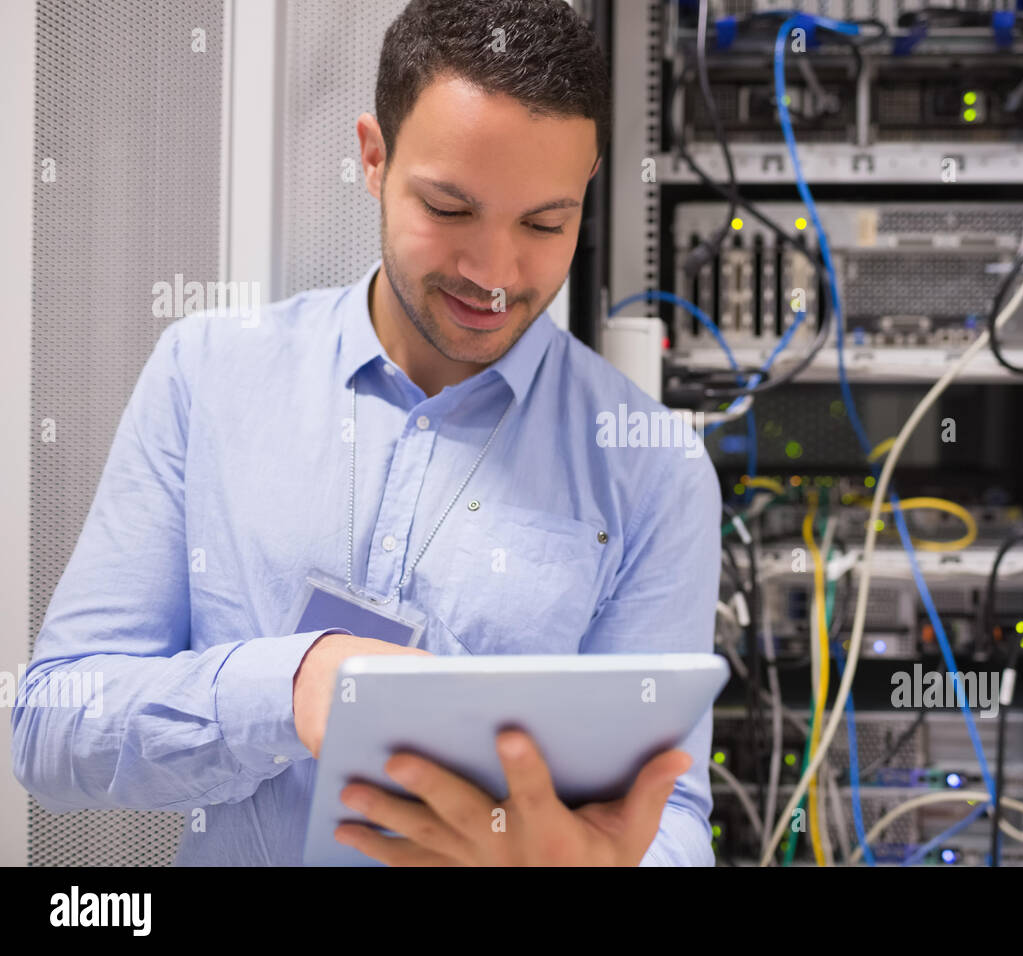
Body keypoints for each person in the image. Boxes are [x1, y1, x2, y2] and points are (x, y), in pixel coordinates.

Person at [11, 0, 721, 866]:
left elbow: (672, 814)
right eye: (450, 208)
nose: (494, 275)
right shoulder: (207, 373)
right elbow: (50, 729)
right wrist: (292, 686)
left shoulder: (656, 471)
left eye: (545, 223)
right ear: (374, 157)